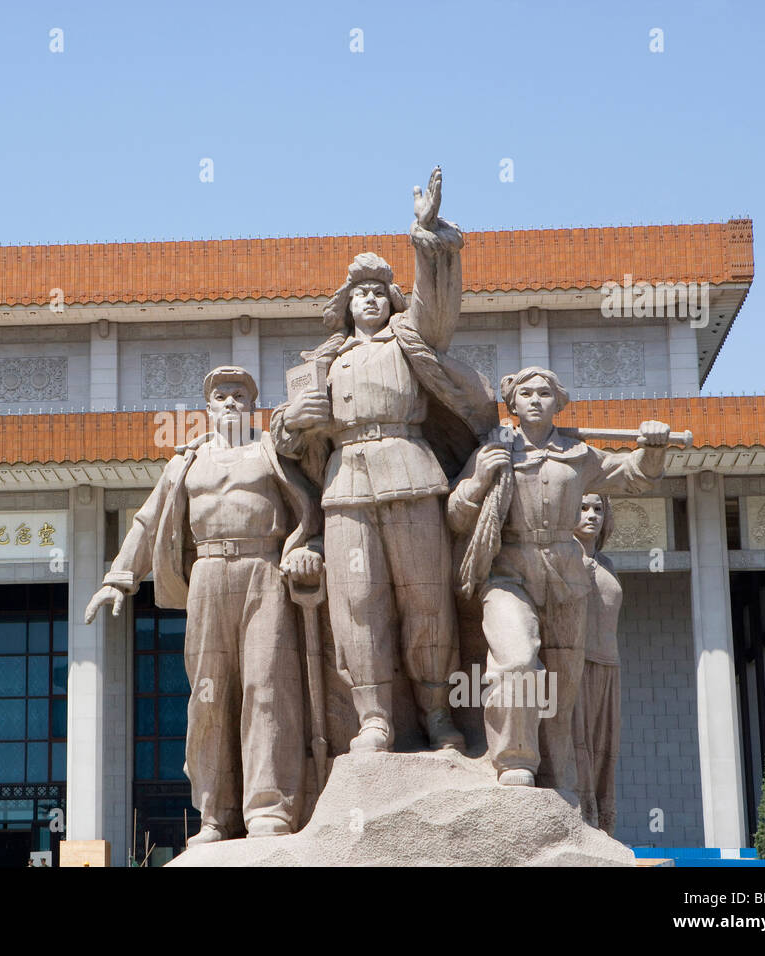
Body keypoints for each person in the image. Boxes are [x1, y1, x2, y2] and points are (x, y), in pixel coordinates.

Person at [271, 168, 496, 753]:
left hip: (410, 472)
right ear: (345, 306)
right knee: (358, 603)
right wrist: (294, 422)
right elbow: (286, 440)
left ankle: (437, 714)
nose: (369, 300)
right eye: (359, 294)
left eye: (378, 291)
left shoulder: (411, 340)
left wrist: (425, 235)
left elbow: (438, 305)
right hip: (345, 485)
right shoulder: (321, 362)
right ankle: (374, 718)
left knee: (426, 599)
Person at [84, 366, 322, 844]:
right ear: (208, 407)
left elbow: (313, 508)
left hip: (264, 569)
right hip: (208, 575)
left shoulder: (272, 454)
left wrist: (304, 548)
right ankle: (216, 813)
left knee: (267, 689)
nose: (231, 402)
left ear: (252, 406)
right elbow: (148, 522)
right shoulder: (186, 464)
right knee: (208, 697)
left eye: (239, 395)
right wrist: (120, 577)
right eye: (221, 395)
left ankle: (268, 809)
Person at [447, 367, 668, 790]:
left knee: (561, 695)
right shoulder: (494, 450)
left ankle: (558, 782)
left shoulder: (578, 455)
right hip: (508, 570)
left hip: (566, 576)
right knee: (515, 663)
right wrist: (477, 482)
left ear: (558, 402)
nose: (534, 399)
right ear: (512, 405)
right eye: (525, 393)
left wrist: (652, 448)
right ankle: (514, 760)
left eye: (545, 393)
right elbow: (456, 517)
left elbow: (632, 476)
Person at [572, 493, 622, 835]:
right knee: (580, 747)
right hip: (578, 664)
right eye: (584, 507)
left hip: (609, 664)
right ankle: (581, 820)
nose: (592, 515)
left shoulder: (608, 563)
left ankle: (604, 829)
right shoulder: (563, 557)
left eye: (599, 509)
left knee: (606, 747)